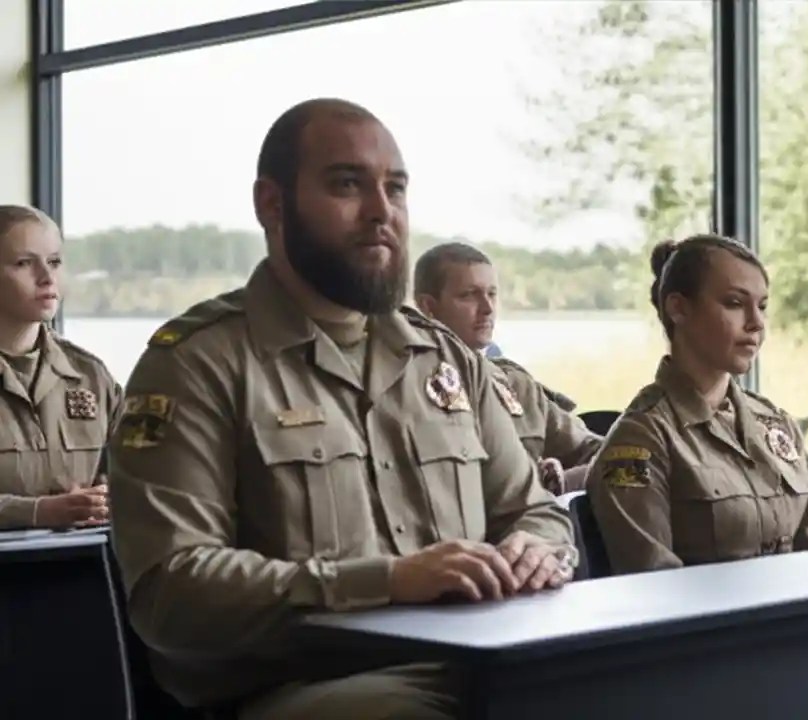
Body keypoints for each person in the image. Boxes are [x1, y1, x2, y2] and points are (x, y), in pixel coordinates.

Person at [108, 99, 575, 720]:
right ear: (272, 205)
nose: (382, 212)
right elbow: (172, 592)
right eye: (348, 185)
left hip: (479, 660)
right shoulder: (199, 364)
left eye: (396, 189)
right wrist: (384, 581)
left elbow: (535, 510)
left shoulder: (446, 361)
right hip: (301, 687)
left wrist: (535, 548)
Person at [586, 234, 808, 575]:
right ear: (678, 308)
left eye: (761, 307)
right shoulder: (641, 440)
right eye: (733, 303)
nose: (756, 323)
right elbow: (652, 587)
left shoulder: (776, 425)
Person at [414, 242, 601, 494]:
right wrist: (541, 482)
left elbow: (596, 450)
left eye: (491, 294)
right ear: (428, 307)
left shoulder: (514, 384)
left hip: (538, 527)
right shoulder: (410, 388)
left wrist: (562, 480)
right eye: (469, 295)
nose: (487, 309)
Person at [0, 205, 117, 530]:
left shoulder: (90, 375)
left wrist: (107, 499)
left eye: (54, 262)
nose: (46, 277)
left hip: (83, 571)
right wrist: (37, 512)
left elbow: (138, 474)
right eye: (24, 263)